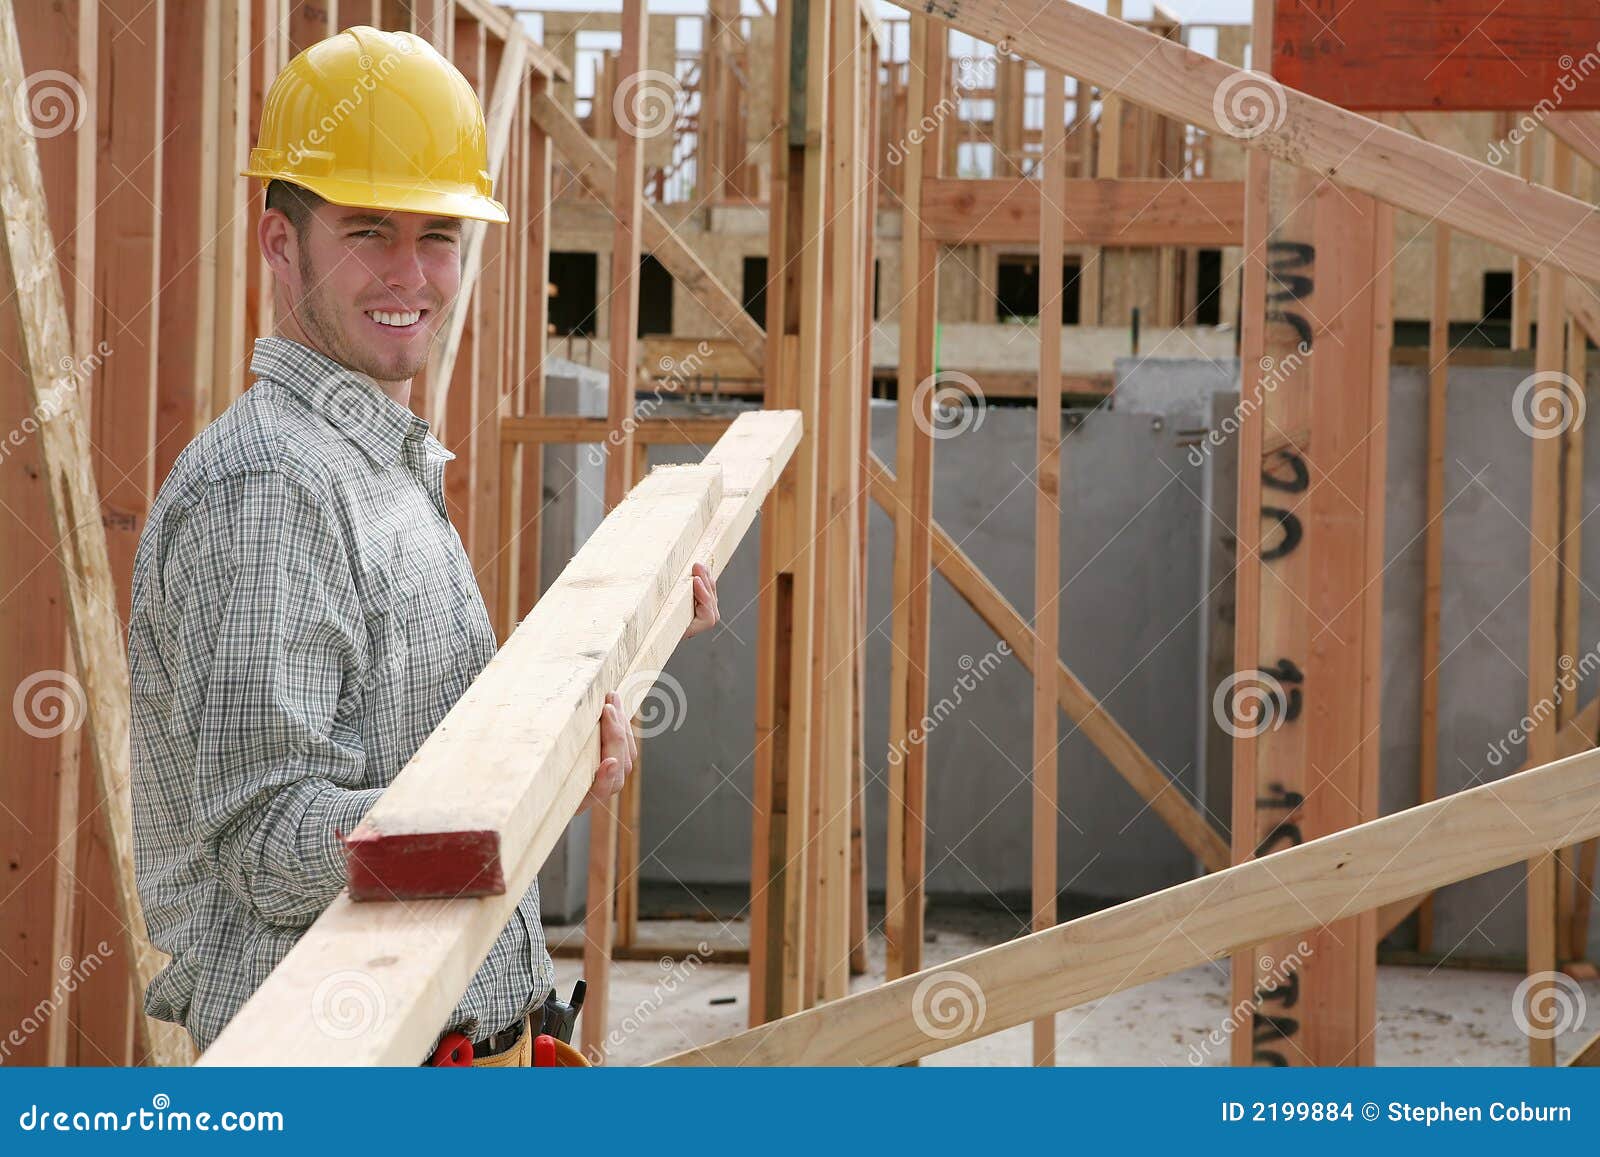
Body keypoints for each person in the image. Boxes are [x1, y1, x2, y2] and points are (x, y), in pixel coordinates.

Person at [126, 26, 718, 1067]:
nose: (412, 273)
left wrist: (567, 737)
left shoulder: (374, 460)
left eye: (437, 234)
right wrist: (513, 790)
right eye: (368, 231)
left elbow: (421, 758)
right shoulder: (273, 485)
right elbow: (270, 843)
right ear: (280, 243)